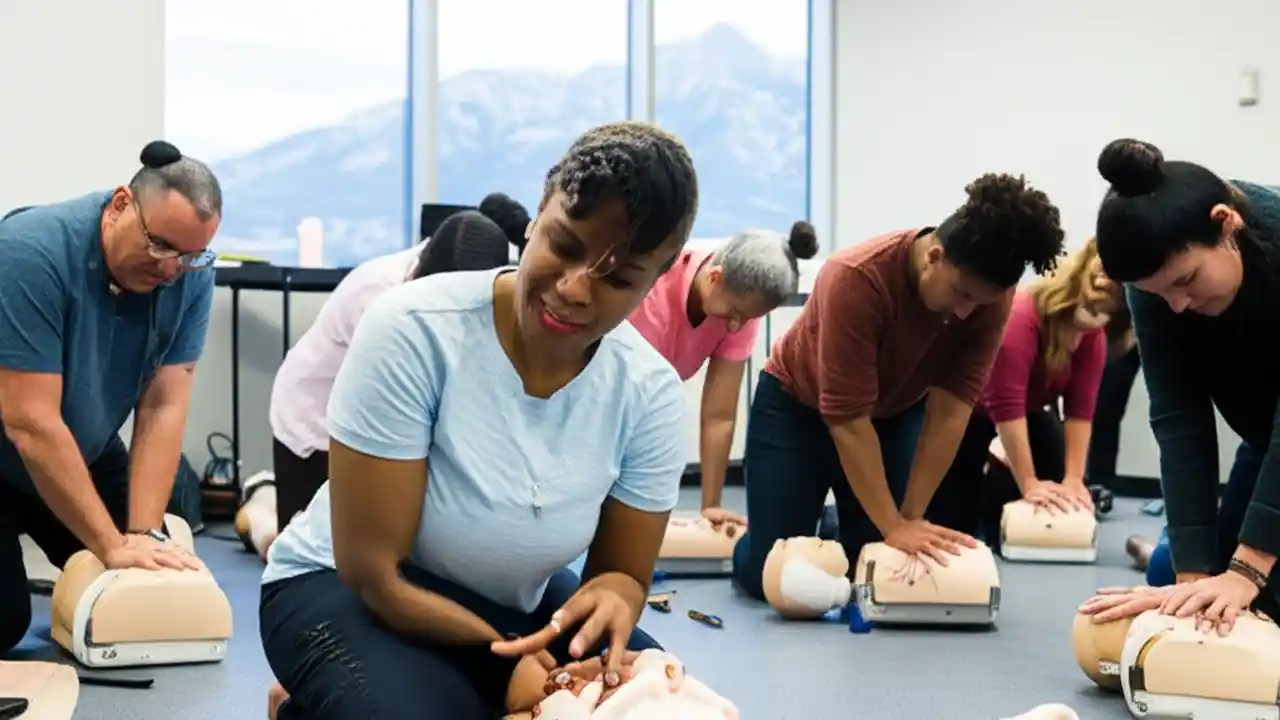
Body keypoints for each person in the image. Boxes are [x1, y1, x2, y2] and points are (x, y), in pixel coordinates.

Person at [259, 121, 700, 719]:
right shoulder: (413, 330)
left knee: (668, 706)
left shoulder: (648, 392)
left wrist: (617, 597)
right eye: (564, 246)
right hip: (343, 592)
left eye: (618, 279)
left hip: (519, 608)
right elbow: (375, 578)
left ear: (655, 280)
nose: (574, 289)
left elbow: (620, 575)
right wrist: (509, 663)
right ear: (536, 216)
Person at [730, 173, 1066, 600]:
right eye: (961, 293)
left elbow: (951, 410)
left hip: (894, 412)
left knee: (872, 564)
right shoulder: (855, 277)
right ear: (934, 257)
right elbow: (847, 420)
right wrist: (892, 524)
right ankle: (761, 536)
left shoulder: (988, 296)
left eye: (977, 302)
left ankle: (838, 525)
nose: (966, 313)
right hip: (797, 408)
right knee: (776, 576)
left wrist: (907, 519)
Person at [0, 141, 216, 654]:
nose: (171, 269)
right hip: (13, 441)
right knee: (3, 624)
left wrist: (139, 536)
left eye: (189, 255)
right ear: (121, 204)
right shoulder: (30, 252)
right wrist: (111, 545)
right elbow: (29, 423)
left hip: (82, 447)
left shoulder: (189, 273)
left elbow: (163, 404)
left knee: (156, 592)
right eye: (161, 246)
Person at [1078, 138, 1280, 634]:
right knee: (1173, 578)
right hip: (1264, 441)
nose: (1177, 305)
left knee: (1261, 590)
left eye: (1187, 281)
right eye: (1159, 293)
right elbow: (1178, 420)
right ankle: (1163, 552)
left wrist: (1248, 569)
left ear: (1226, 224)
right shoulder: (1157, 280)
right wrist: (1193, 581)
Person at [268, 194, 529, 530]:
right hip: (314, 420)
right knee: (304, 550)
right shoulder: (381, 297)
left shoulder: (489, 278)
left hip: (373, 422)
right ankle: (258, 512)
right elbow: (390, 406)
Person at [927, 240, 1122, 544]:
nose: (1093, 324)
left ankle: (996, 510)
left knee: (1056, 477)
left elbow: (1080, 412)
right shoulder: (1021, 316)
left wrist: (1074, 479)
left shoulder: (1091, 337)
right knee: (953, 515)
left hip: (1029, 410)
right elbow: (1006, 406)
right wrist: (1028, 482)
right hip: (966, 407)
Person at [627, 221, 818, 525]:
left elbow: (719, 415)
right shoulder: (650, 287)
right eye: (733, 314)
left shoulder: (740, 308)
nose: (734, 327)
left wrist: (710, 505)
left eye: (746, 318)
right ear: (715, 278)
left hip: (649, 415)